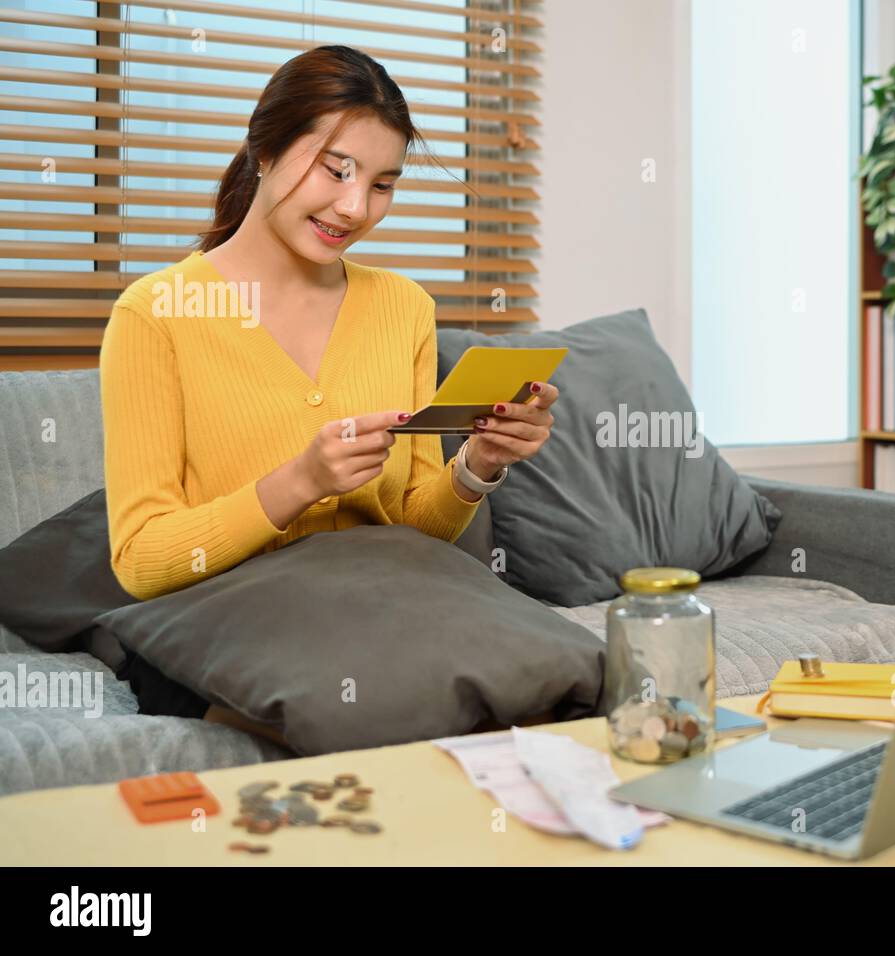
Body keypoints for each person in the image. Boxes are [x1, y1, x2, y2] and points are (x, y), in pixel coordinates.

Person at [99, 46, 557, 741]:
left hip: (384, 599)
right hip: (230, 618)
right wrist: (299, 481)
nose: (354, 207)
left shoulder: (402, 307)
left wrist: (479, 466)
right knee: (371, 711)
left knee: (564, 677)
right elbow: (141, 559)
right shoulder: (156, 313)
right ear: (264, 149)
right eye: (335, 170)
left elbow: (413, 526)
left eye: (382, 184)